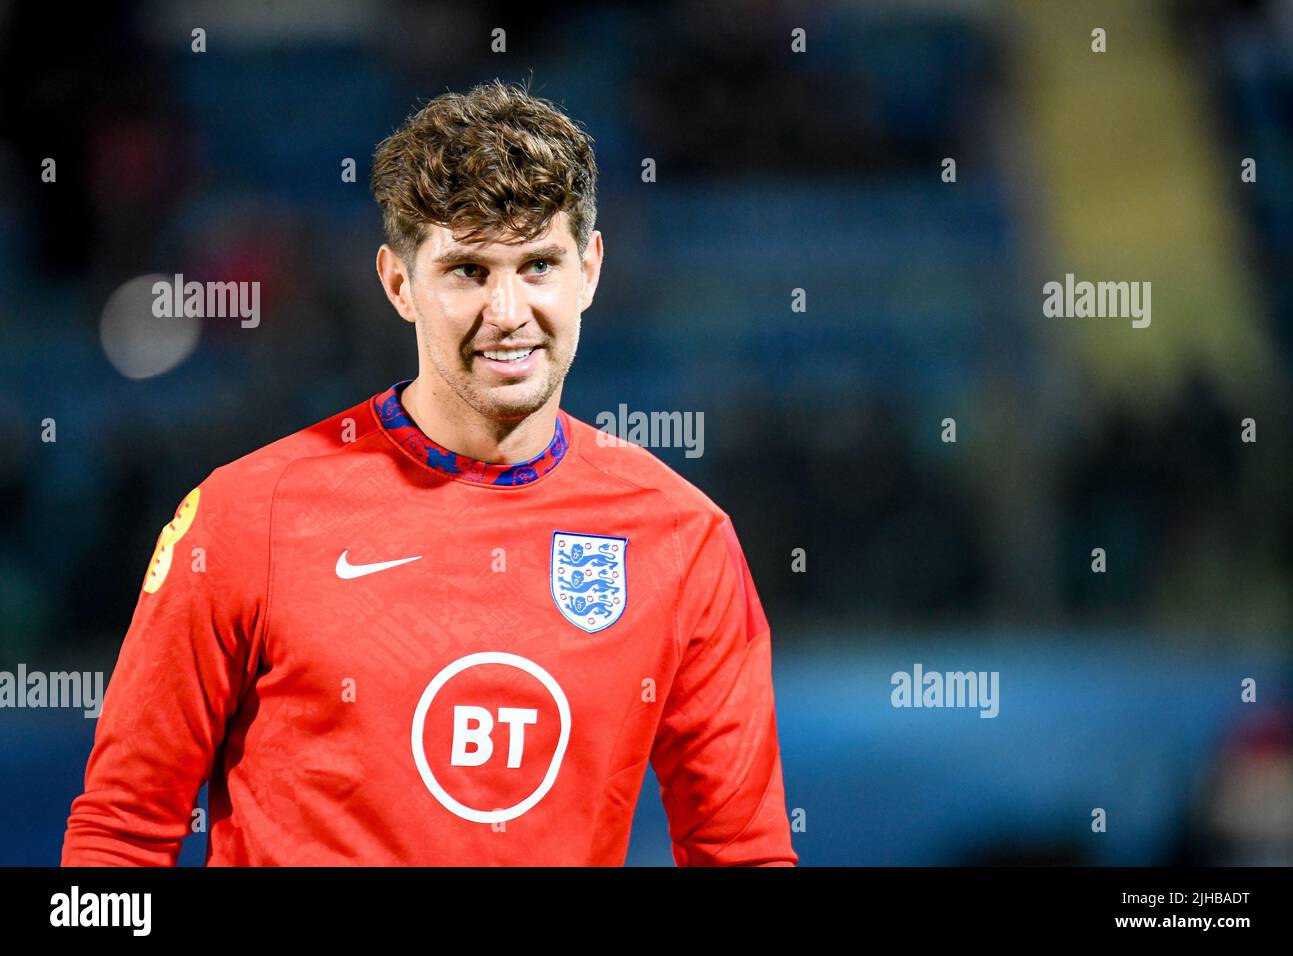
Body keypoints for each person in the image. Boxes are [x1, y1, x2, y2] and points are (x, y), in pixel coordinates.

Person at [61, 78, 796, 866]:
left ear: (590, 269)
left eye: (538, 265)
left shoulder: (683, 537)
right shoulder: (247, 516)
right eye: (469, 271)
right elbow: (119, 838)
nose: (509, 311)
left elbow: (742, 853)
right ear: (398, 282)